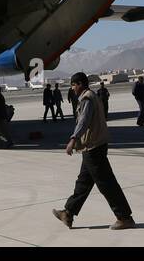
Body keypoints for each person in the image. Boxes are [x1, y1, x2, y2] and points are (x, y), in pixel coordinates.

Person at [51, 73, 135, 230]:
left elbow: (84, 121)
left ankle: (124, 217)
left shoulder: (87, 98)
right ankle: (68, 213)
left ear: (81, 84)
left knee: (106, 183)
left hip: (94, 147)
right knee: (83, 182)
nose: (72, 88)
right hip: (92, 146)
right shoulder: (91, 96)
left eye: (74, 85)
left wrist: (73, 139)